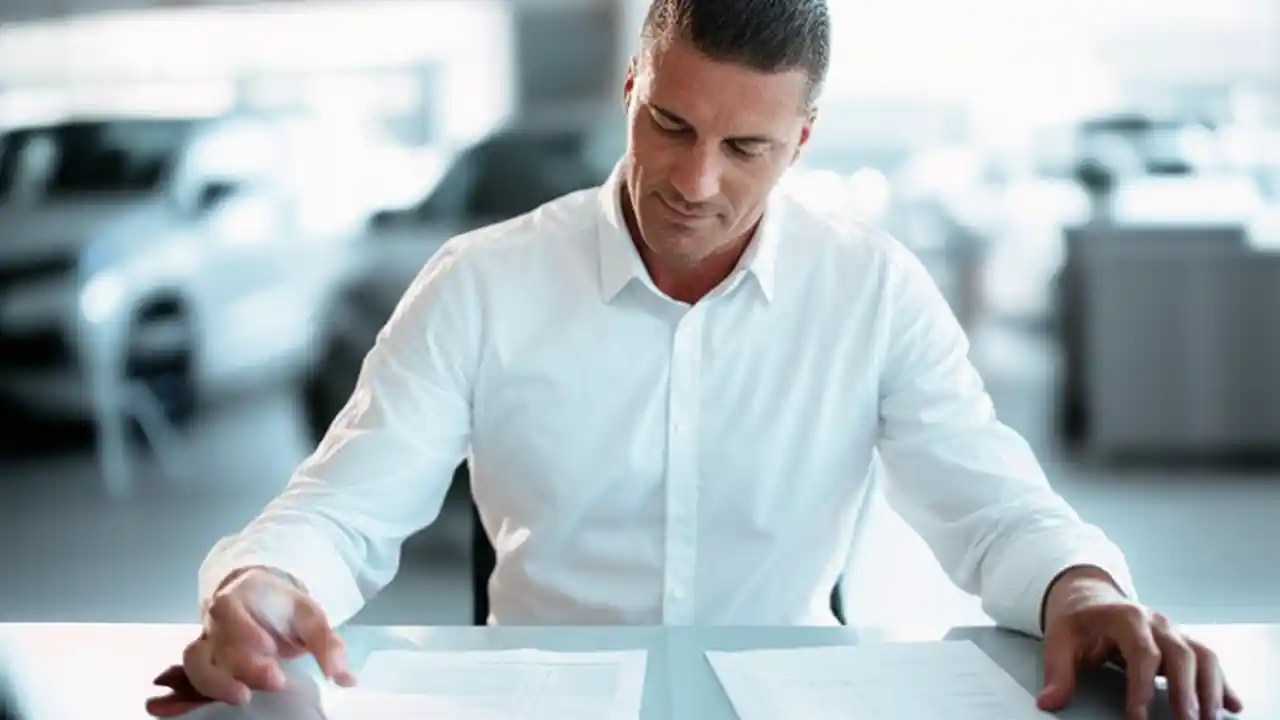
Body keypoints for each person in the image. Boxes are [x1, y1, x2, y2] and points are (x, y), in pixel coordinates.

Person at [180, 2, 1241, 719]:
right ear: (632, 83)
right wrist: (267, 581)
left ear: (804, 140)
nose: (693, 181)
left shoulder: (868, 288)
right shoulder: (480, 282)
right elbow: (342, 508)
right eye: (669, 124)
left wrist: (1078, 587)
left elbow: (991, 506)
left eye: (744, 149)